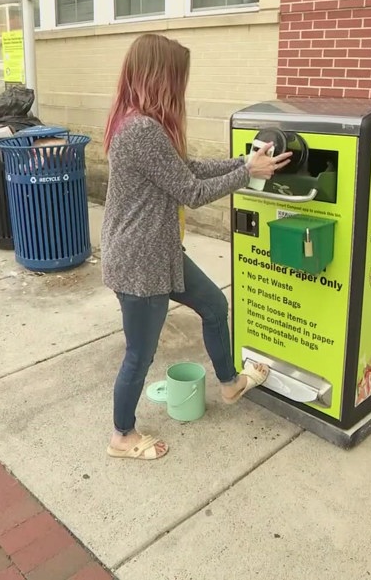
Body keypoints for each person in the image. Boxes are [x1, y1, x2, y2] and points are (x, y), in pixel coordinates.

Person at [100, 34, 291, 461]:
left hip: (160, 252)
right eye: (179, 78)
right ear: (161, 77)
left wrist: (246, 161)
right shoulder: (142, 129)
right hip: (141, 263)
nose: (182, 88)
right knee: (140, 354)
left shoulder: (136, 122)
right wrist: (247, 173)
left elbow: (187, 169)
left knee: (212, 305)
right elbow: (191, 191)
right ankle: (122, 436)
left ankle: (228, 383)